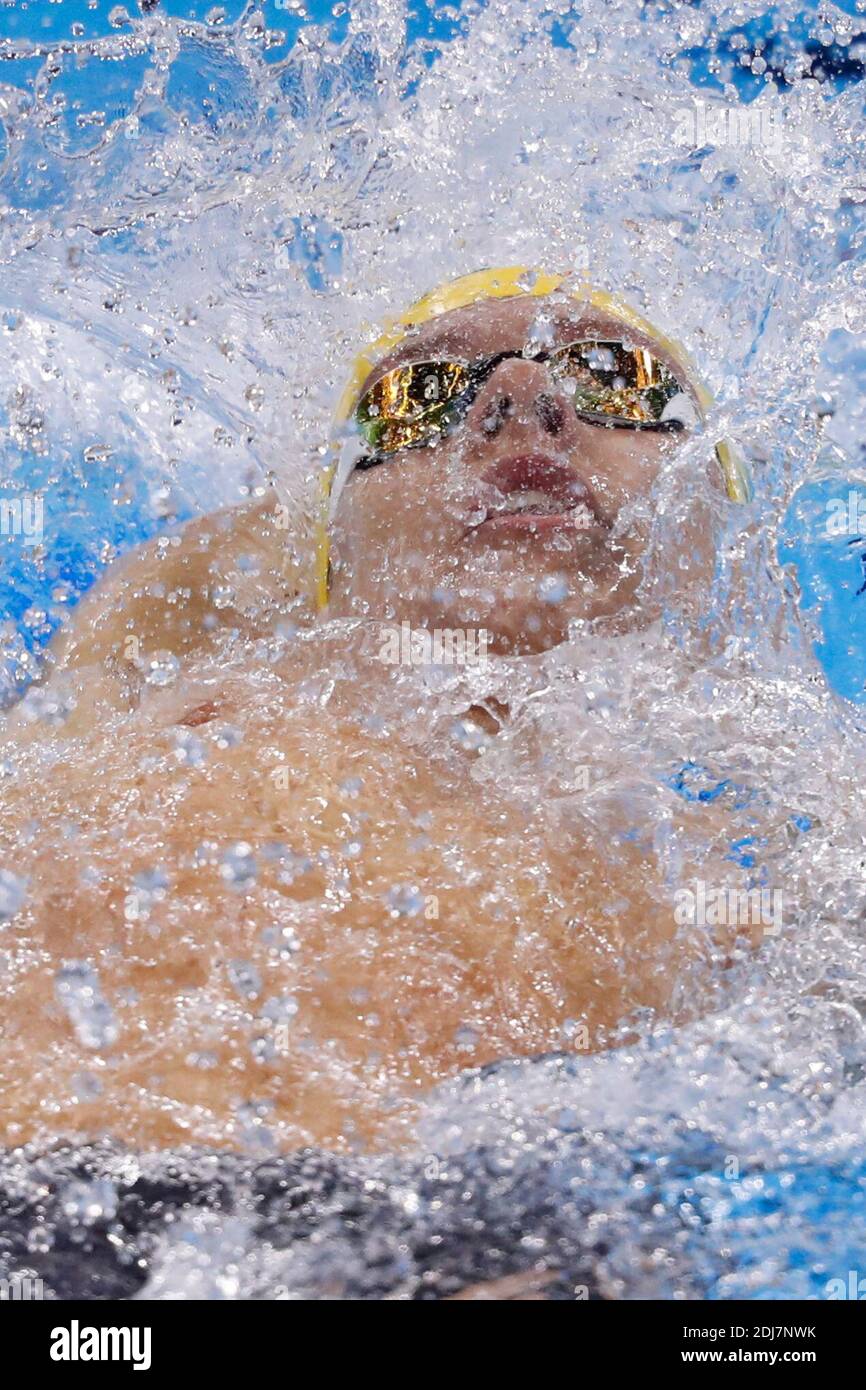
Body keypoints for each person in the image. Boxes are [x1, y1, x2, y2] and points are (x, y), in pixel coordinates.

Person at [0, 267, 757, 1154]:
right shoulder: (189, 719)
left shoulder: (777, 854)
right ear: (336, 561)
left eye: (613, 375)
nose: (523, 396)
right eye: (418, 395)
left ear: (720, 519)